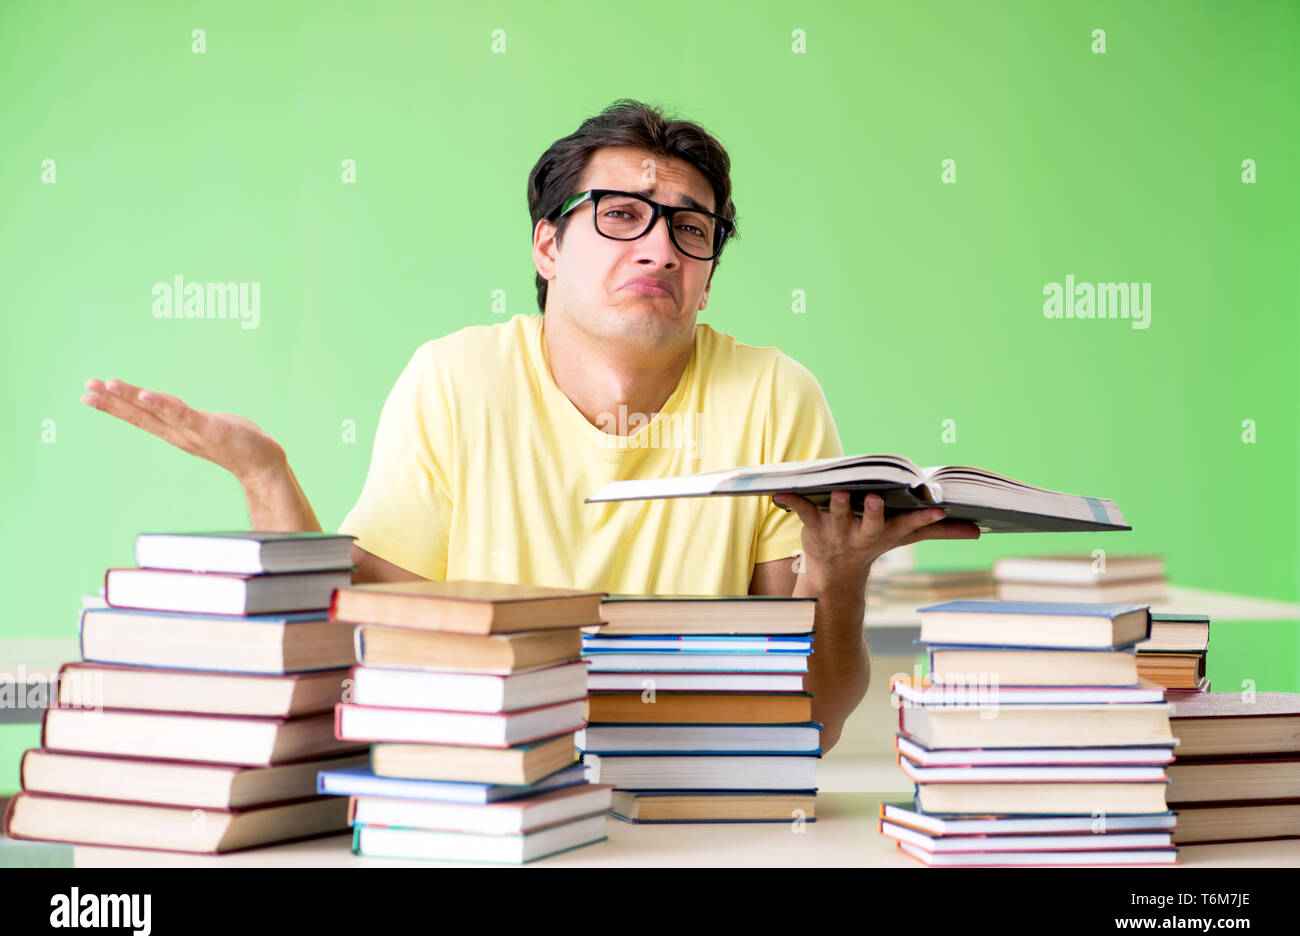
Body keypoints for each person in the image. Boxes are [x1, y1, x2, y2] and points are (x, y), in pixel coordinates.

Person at [81, 99, 979, 752]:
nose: (660, 246)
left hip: (702, 798)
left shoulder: (776, 393)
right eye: (622, 215)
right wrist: (267, 480)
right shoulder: (455, 378)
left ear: (707, 275)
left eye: (691, 229)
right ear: (547, 246)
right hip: (485, 794)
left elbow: (814, 720)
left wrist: (837, 574)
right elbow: (353, 650)